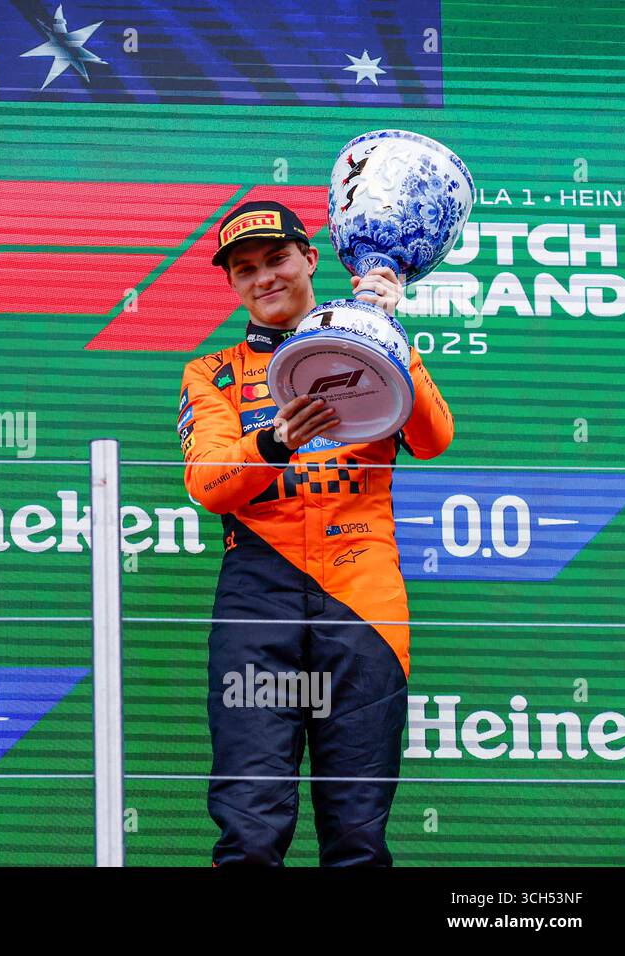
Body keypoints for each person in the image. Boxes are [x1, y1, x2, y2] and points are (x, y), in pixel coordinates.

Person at [177, 201, 453, 865]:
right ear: (233, 284)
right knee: (251, 828)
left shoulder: (373, 344)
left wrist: (391, 337)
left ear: (308, 258)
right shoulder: (211, 373)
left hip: (363, 604)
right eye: (245, 269)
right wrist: (272, 442)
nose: (264, 277)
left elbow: (434, 438)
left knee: (357, 833)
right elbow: (208, 484)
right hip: (258, 609)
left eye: (276, 259)